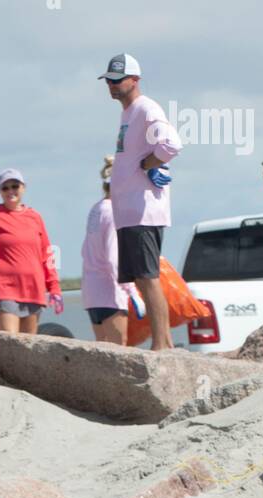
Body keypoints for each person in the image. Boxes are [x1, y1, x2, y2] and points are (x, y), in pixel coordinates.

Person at [100, 52, 181, 351]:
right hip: (130, 211)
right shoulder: (128, 113)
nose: (113, 85)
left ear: (135, 80)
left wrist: (150, 163)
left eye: (118, 79)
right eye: (109, 80)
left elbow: (172, 143)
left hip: (143, 209)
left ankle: (161, 345)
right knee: (143, 278)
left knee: (148, 278)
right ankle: (166, 343)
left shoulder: (146, 108)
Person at [0, 169, 62, 336]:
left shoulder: (35, 216)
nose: (11, 191)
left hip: (33, 287)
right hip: (5, 287)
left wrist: (55, 288)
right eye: (5, 188)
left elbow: (47, 253)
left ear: (23, 188)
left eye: (15, 186)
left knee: (28, 345)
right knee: (11, 341)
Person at [82, 155, 134, 345]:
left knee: (101, 348)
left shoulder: (96, 209)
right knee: (118, 348)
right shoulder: (114, 212)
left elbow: (87, 250)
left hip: (92, 292)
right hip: (110, 291)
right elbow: (114, 258)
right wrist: (131, 290)